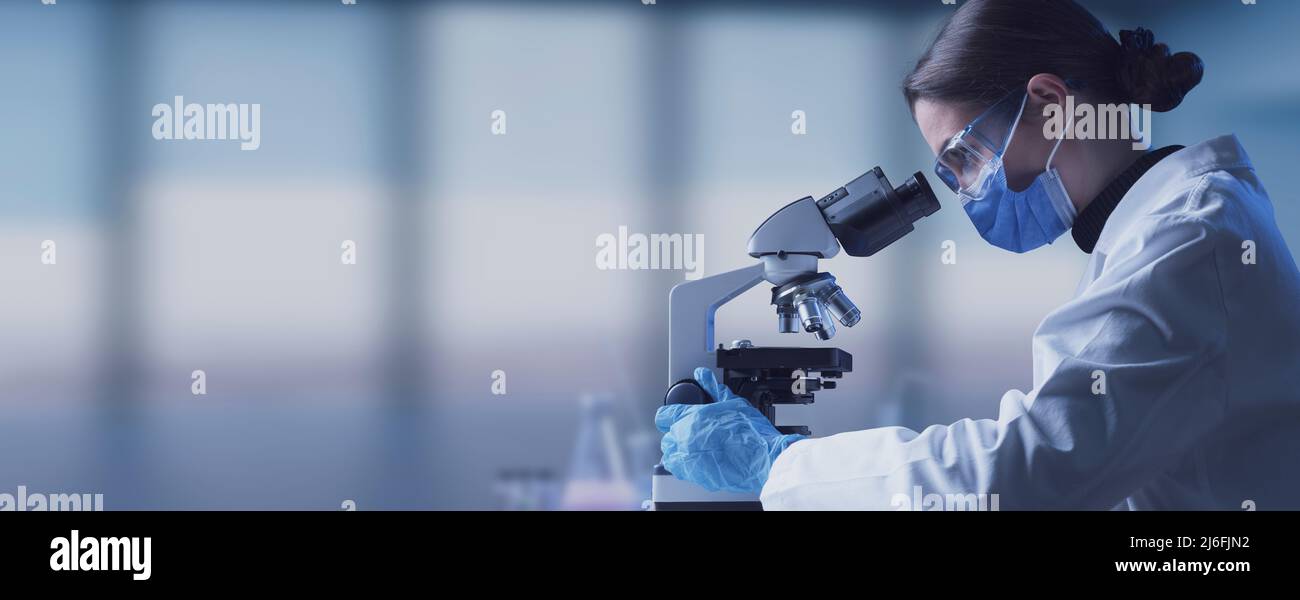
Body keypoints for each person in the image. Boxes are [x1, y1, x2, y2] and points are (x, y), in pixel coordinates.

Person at [655, 0, 1300, 510]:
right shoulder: (1161, 231)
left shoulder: (1187, 241)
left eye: (962, 157)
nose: (961, 191)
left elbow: (1017, 476)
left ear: (1050, 106)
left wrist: (780, 468)